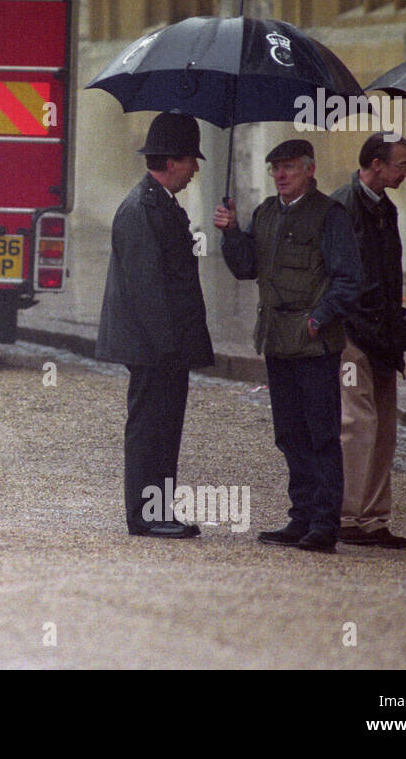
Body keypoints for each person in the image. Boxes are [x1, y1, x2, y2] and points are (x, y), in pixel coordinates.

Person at [213, 139, 361, 553]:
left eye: (289, 167)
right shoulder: (265, 213)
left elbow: (349, 278)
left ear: (310, 170)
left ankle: (324, 523)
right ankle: (300, 517)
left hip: (313, 342)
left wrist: (318, 319)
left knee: (321, 434)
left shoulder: (330, 215)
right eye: (275, 168)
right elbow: (246, 268)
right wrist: (231, 232)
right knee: (290, 434)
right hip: (277, 338)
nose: (280, 175)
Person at [95, 112, 214, 539]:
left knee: (165, 431)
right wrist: (168, 348)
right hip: (153, 347)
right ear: (171, 162)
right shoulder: (140, 208)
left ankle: (159, 510)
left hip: (165, 346)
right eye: (190, 161)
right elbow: (146, 288)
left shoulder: (160, 203)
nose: (195, 169)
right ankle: (145, 515)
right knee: (150, 431)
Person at [328, 133, 406, 549]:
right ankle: (348, 514)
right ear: (376, 165)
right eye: (400, 164)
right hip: (352, 331)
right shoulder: (343, 205)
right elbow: (338, 272)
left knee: (383, 428)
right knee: (357, 424)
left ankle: (375, 518)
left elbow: (391, 275)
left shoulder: (387, 211)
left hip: (383, 335)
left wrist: (396, 325)